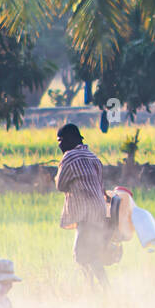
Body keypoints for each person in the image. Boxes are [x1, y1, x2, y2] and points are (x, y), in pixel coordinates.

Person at [54, 123, 111, 287]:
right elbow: (100, 185)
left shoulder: (69, 157)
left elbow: (61, 185)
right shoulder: (93, 157)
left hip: (85, 213)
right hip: (99, 211)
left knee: (81, 254)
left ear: (70, 139)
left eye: (60, 140)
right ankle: (96, 287)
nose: (60, 145)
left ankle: (96, 288)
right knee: (90, 252)